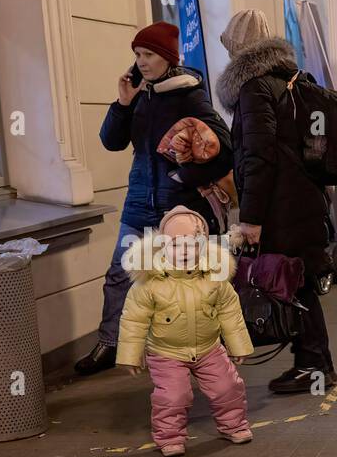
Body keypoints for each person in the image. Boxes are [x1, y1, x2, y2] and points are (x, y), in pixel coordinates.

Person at [76, 22, 233, 377]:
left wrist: (182, 178)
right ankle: (110, 342)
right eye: (137, 54)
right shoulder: (140, 95)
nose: (141, 62)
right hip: (138, 204)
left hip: (179, 210)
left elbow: (224, 151)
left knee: (193, 280)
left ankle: (209, 348)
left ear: (167, 58)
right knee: (120, 274)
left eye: (148, 54)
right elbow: (111, 141)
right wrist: (123, 103)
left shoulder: (189, 95)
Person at [216, 8, 337, 395]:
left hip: (282, 206)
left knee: (295, 284)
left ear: (238, 46)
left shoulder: (255, 89)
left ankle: (315, 366)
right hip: (304, 200)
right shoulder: (292, 81)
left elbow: (258, 158)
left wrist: (250, 218)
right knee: (299, 281)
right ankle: (314, 365)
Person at [115, 206, 253, 457]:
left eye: (192, 244)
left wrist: (238, 345)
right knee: (173, 396)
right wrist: (130, 355)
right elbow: (134, 320)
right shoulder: (149, 283)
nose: (185, 251)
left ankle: (234, 425)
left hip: (209, 348)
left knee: (228, 387)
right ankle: (169, 437)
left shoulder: (215, 277)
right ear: (162, 246)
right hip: (166, 352)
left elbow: (229, 312)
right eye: (176, 245)